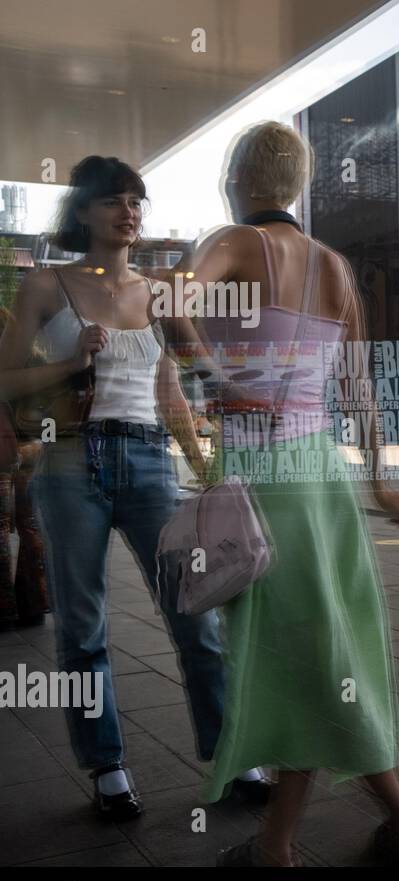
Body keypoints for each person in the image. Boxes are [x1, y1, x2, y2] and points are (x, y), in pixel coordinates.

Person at [160, 121, 399, 867]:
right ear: (299, 183)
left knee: (301, 655)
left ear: (241, 180)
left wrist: (220, 379)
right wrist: (380, 483)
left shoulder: (235, 243)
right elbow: (361, 390)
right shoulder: (337, 268)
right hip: (325, 478)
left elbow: (168, 306)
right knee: (328, 648)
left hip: (261, 475)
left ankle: (285, 847)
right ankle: (338, 834)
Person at [0, 157, 267, 822]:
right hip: (68, 464)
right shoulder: (44, 285)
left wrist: (246, 403)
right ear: (83, 211)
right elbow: (5, 382)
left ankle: (231, 747)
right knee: (83, 628)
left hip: (148, 463)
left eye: (136, 201)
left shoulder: (159, 293)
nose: (129, 211)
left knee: (195, 615)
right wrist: (70, 361)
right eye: (114, 200)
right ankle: (108, 766)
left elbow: (198, 372)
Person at [0, 308, 50, 631]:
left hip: (4, 453)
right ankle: (33, 606)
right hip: (31, 451)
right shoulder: (35, 360)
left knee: (1, 528)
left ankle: (3, 609)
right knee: (30, 525)